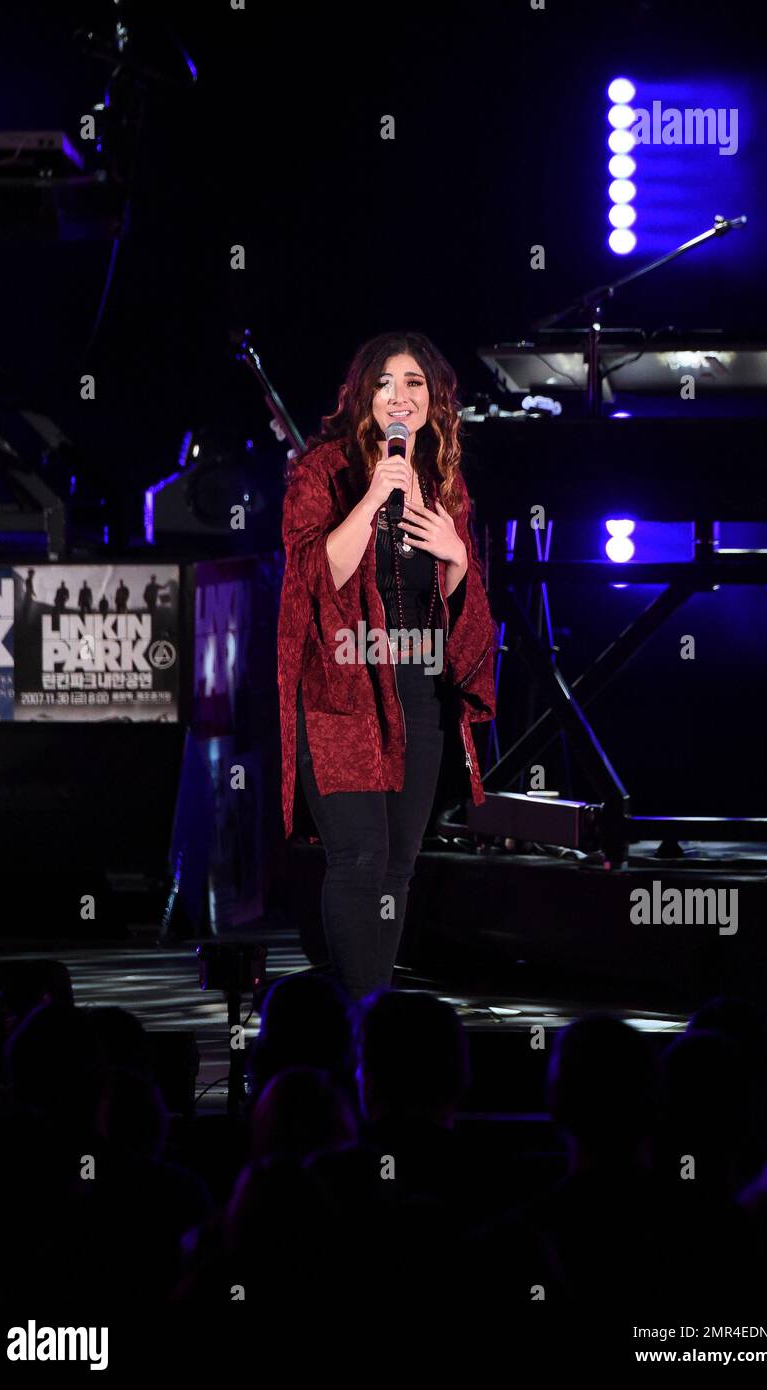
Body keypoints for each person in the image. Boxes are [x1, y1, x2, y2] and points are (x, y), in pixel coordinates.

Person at [278, 331, 495, 1000]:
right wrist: (374, 496)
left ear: (435, 402)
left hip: (418, 689)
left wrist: (456, 559)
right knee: (358, 856)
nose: (399, 398)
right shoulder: (321, 472)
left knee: (398, 865)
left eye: (414, 385)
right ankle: (360, 1018)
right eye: (384, 384)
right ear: (362, 395)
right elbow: (311, 584)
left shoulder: (446, 484)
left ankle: (368, 1010)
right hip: (341, 688)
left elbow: (471, 622)